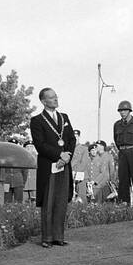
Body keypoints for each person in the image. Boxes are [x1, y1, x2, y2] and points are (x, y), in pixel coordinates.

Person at [30, 87, 76, 246]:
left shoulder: (64, 117)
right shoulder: (37, 120)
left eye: (56, 96)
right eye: (51, 97)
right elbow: (40, 145)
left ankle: (58, 237)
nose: (55, 99)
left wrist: (67, 155)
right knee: (48, 202)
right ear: (43, 101)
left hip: (63, 165)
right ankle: (47, 238)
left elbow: (71, 140)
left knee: (61, 201)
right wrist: (59, 155)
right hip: (49, 165)